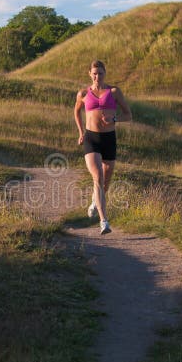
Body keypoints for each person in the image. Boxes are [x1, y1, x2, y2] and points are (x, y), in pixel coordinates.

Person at [74, 60, 132, 234]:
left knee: (105, 181)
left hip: (109, 138)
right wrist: (81, 132)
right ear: (89, 74)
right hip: (92, 138)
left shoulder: (114, 92)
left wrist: (115, 119)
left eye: (100, 73)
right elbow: (76, 111)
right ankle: (104, 221)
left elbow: (128, 115)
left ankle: (94, 201)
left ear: (105, 73)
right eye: (94, 73)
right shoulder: (83, 93)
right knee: (97, 176)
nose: (97, 76)